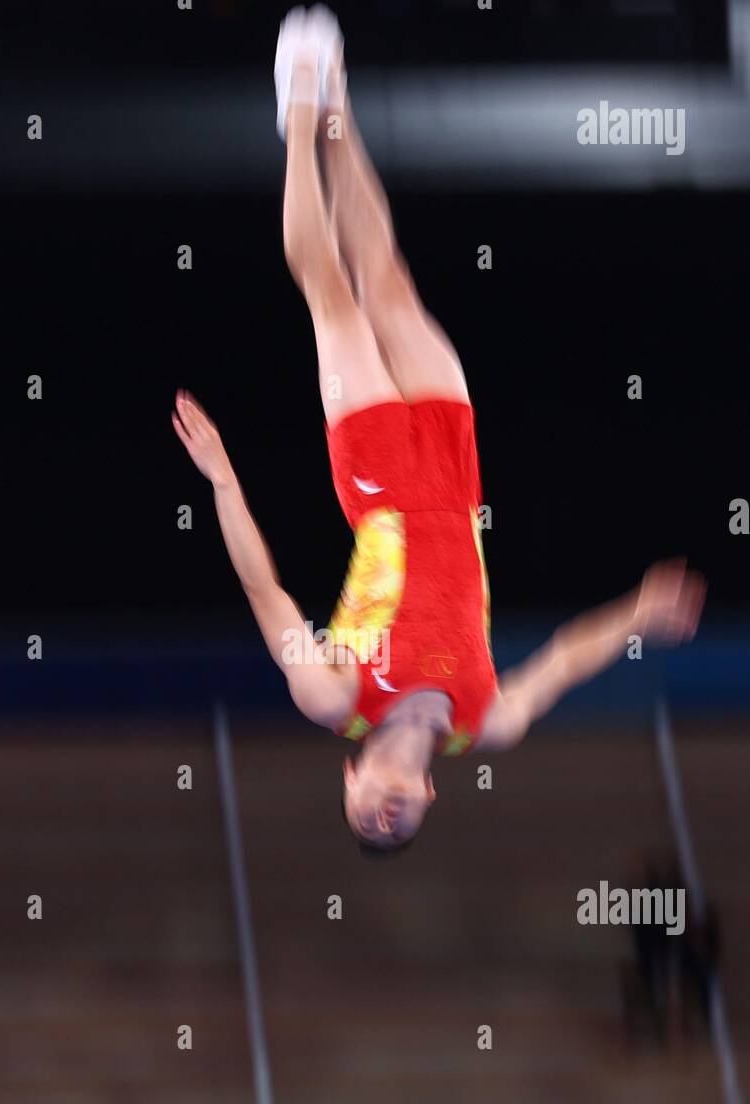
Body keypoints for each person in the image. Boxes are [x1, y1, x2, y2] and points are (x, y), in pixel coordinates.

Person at [172, 7, 706, 852]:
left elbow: (267, 597)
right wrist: (637, 615)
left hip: (377, 476)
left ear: (350, 776)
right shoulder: (487, 721)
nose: (386, 815)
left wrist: (224, 482)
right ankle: (340, 108)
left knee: (329, 290)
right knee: (386, 279)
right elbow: (564, 657)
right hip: (455, 474)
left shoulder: (333, 698)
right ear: (429, 797)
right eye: (401, 823)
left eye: (364, 818)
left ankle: (301, 108)